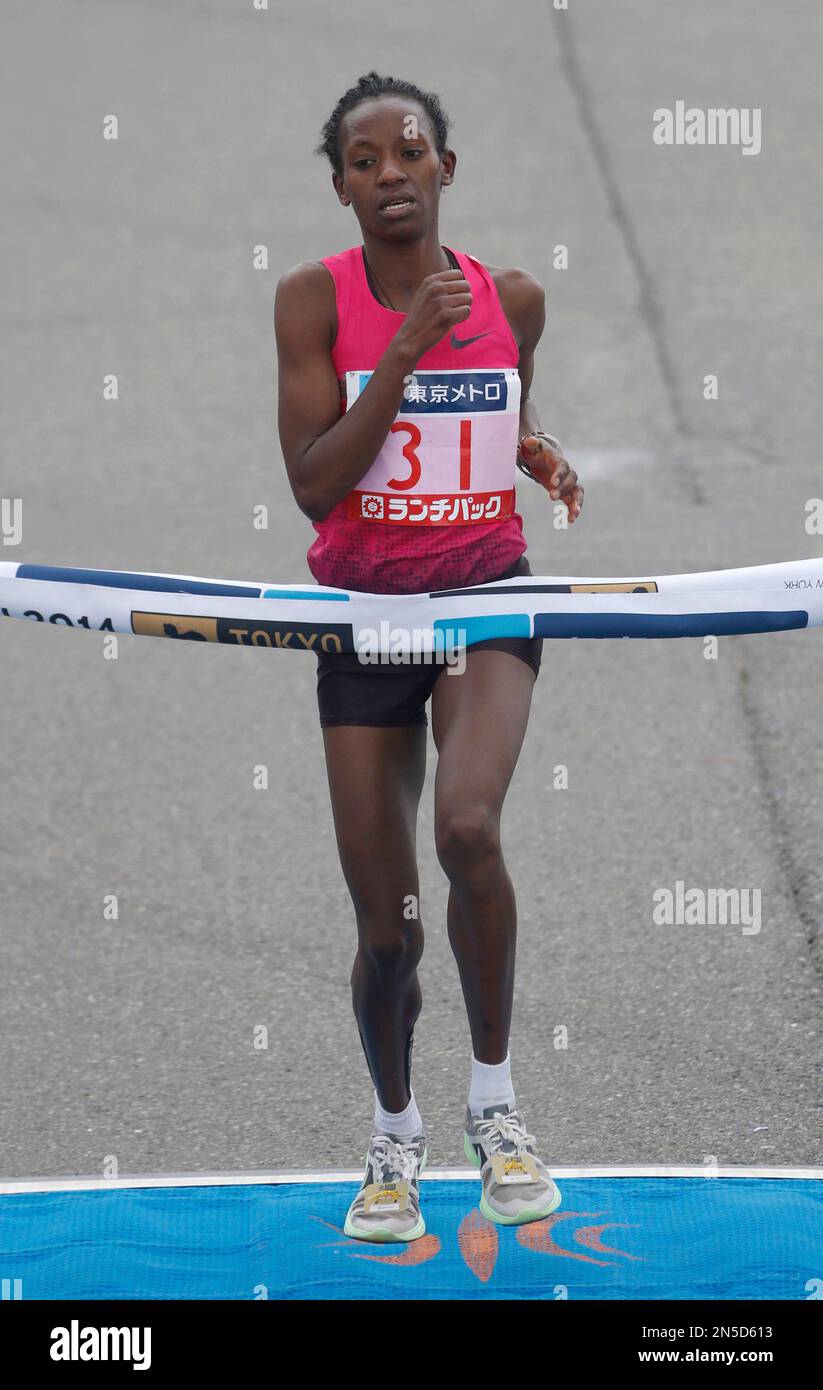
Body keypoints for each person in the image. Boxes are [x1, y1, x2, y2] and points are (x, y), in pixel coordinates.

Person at [275, 72, 583, 1243]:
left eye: (411, 152)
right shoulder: (312, 302)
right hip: (361, 615)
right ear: (344, 186)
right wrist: (401, 349)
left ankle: (495, 1108)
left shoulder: (514, 297)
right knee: (386, 924)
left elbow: (497, 414)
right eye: (365, 160)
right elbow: (314, 481)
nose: (391, 172)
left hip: (483, 601)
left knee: (467, 829)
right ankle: (393, 1135)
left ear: (444, 170)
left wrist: (534, 451)